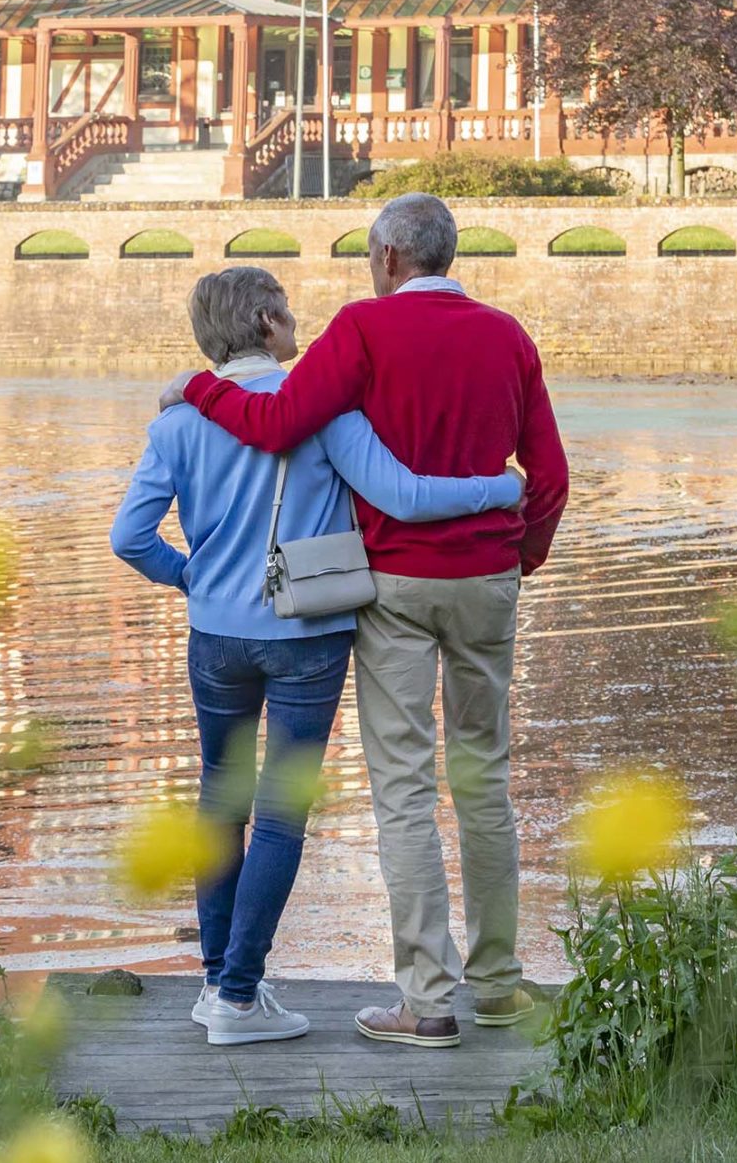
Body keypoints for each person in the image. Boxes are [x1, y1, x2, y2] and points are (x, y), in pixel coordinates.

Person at [169, 193, 569, 1049]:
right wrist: (514, 558)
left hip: (394, 583)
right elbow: (551, 473)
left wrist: (201, 387)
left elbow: (276, 423)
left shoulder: (361, 331)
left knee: (403, 788)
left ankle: (427, 1000)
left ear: (389, 259)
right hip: (487, 579)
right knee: (485, 779)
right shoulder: (509, 336)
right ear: (444, 256)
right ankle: (498, 984)